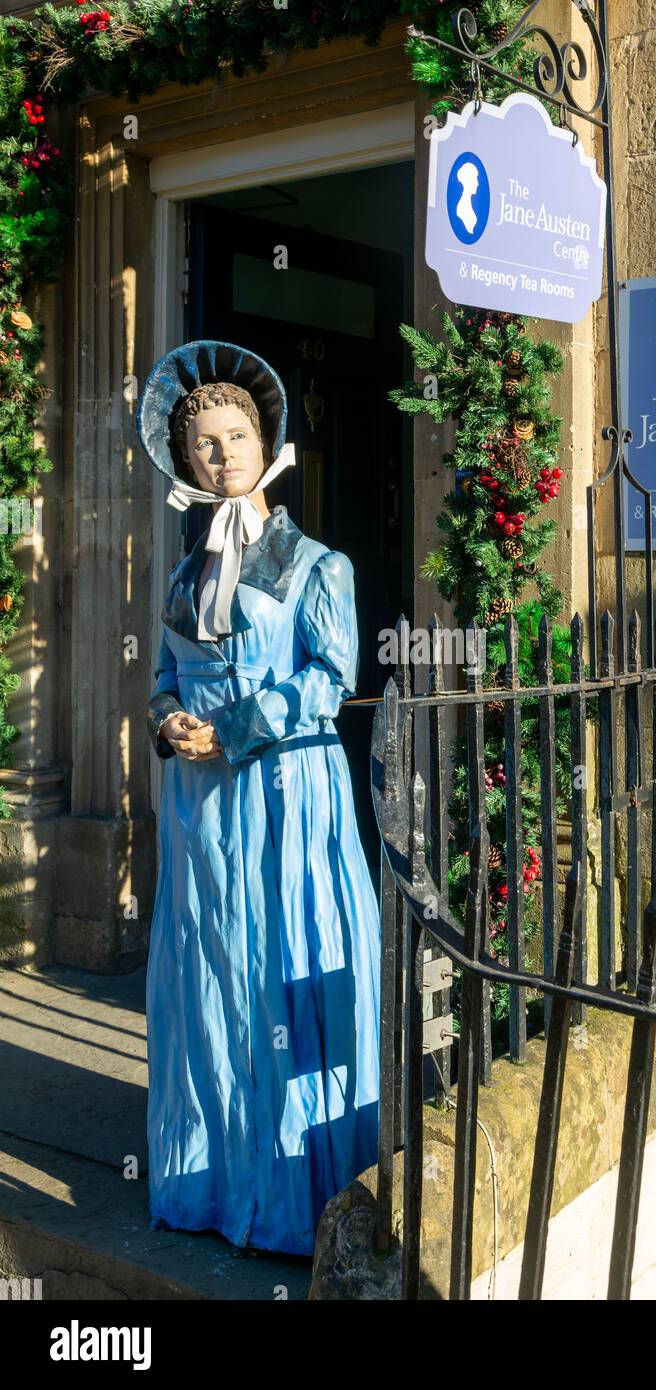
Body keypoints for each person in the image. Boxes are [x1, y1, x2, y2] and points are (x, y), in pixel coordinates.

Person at [136, 340, 381, 1256]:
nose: (222, 454)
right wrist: (170, 721)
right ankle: (212, 1185)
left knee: (280, 976)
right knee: (209, 980)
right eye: (204, 443)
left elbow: (331, 678)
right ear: (186, 458)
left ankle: (294, 1199)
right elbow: (165, 674)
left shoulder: (317, 564)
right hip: (202, 809)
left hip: (286, 799)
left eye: (236, 436)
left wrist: (232, 728)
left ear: (265, 441)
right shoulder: (183, 574)